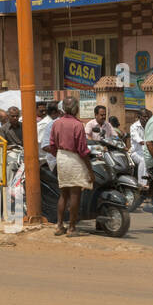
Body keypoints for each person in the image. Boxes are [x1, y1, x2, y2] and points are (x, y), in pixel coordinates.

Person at [45, 97, 91, 236]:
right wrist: (90, 170)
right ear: (76, 109)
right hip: (74, 158)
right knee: (75, 194)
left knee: (63, 194)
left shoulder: (56, 123)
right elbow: (82, 150)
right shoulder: (78, 125)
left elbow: (52, 145)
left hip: (61, 157)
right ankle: (71, 228)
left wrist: (59, 155)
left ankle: (59, 226)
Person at [127, 107, 151, 185]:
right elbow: (138, 139)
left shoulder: (149, 126)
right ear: (139, 117)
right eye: (144, 116)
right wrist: (147, 143)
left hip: (148, 151)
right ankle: (142, 184)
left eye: (147, 116)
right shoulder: (134, 127)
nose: (146, 118)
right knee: (143, 160)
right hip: (136, 152)